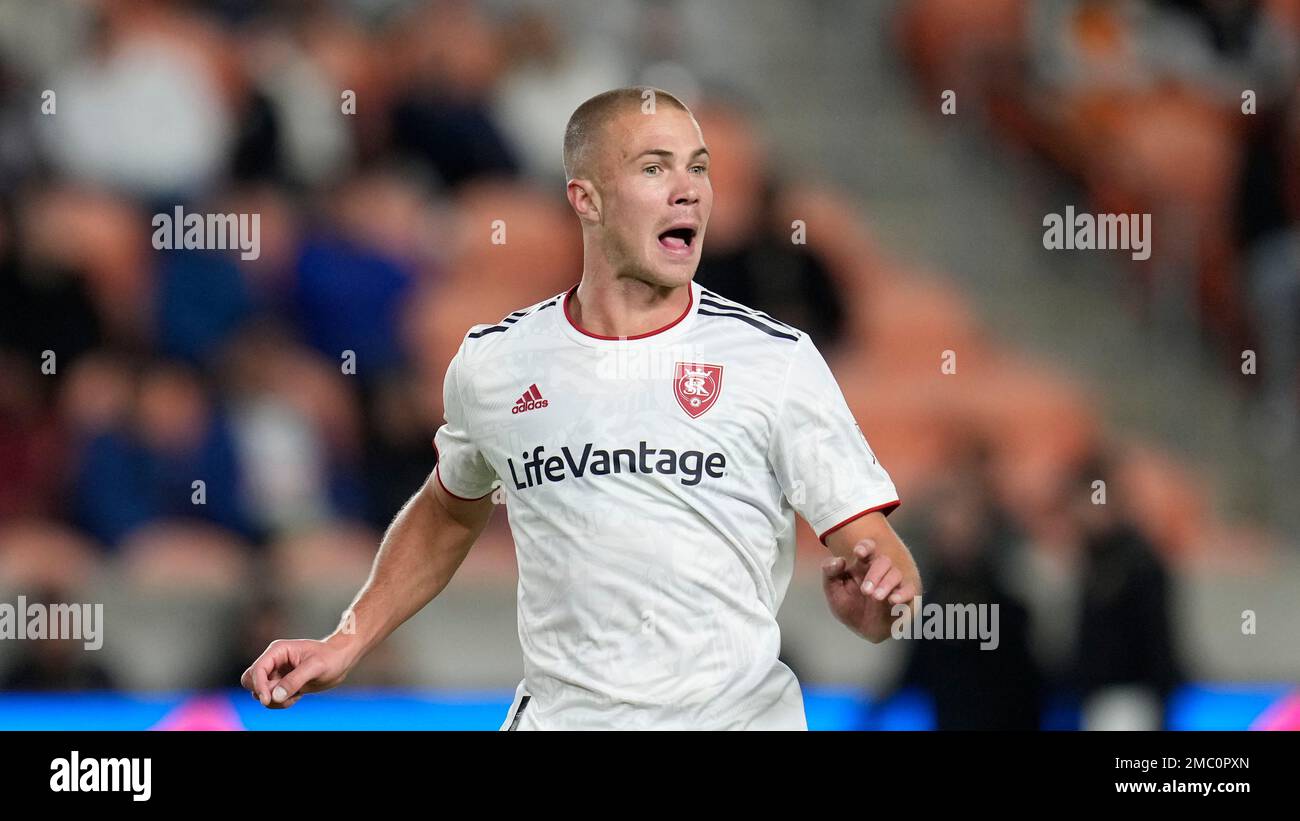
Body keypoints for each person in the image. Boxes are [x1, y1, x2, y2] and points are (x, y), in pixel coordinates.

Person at [242, 87, 920, 730]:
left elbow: (884, 559)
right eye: (655, 168)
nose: (688, 188)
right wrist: (347, 638)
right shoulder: (497, 364)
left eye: (699, 168)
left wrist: (882, 606)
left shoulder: (773, 360)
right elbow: (449, 507)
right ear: (587, 199)